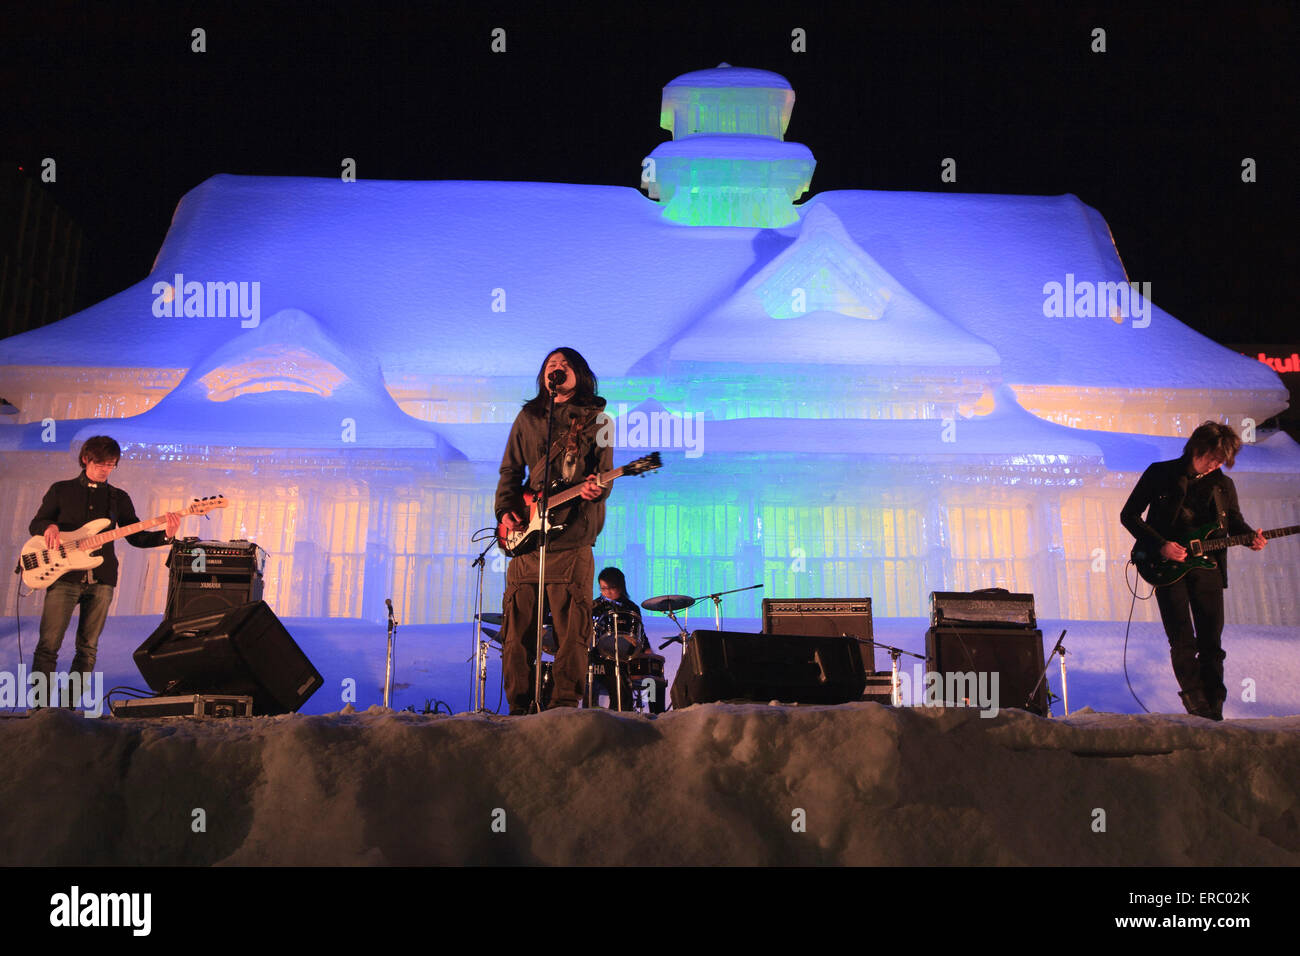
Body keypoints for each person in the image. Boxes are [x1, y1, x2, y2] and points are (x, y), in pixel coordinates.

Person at [1120, 421, 1266, 720]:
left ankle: (1214, 709)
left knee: (1211, 642)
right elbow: (1129, 515)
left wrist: (1251, 537)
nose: (1216, 465)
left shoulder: (1223, 485)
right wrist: (1161, 545)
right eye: (1213, 458)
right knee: (1182, 640)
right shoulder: (1161, 473)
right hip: (1167, 567)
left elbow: (1233, 522)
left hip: (1208, 568)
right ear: (1197, 449)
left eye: (1221, 461)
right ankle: (1197, 706)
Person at [495, 349, 612, 713]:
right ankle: (518, 705)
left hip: (572, 539)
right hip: (527, 541)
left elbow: (604, 473)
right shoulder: (528, 417)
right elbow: (511, 473)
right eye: (551, 366)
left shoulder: (600, 420)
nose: (556, 370)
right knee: (516, 632)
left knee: (571, 631)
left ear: (579, 374)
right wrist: (505, 513)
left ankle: (563, 705)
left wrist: (599, 488)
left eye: (564, 366)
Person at [29, 436, 181, 706]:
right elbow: (38, 522)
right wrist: (48, 527)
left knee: (87, 649)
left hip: (102, 580)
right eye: (100, 463)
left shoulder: (118, 498)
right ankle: (39, 710)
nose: (105, 470)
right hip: (63, 576)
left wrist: (166, 535)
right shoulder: (61, 490)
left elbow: (136, 536)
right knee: (48, 646)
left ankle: (67, 710)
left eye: (111, 465)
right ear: (86, 459)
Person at [590, 566, 650, 710]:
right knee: (591, 680)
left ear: (621, 586)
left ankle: (623, 715)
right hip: (598, 656)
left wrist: (646, 650)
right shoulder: (595, 606)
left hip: (623, 658)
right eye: (603, 588)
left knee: (647, 682)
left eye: (611, 588)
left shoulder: (631, 608)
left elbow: (640, 634)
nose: (607, 592)